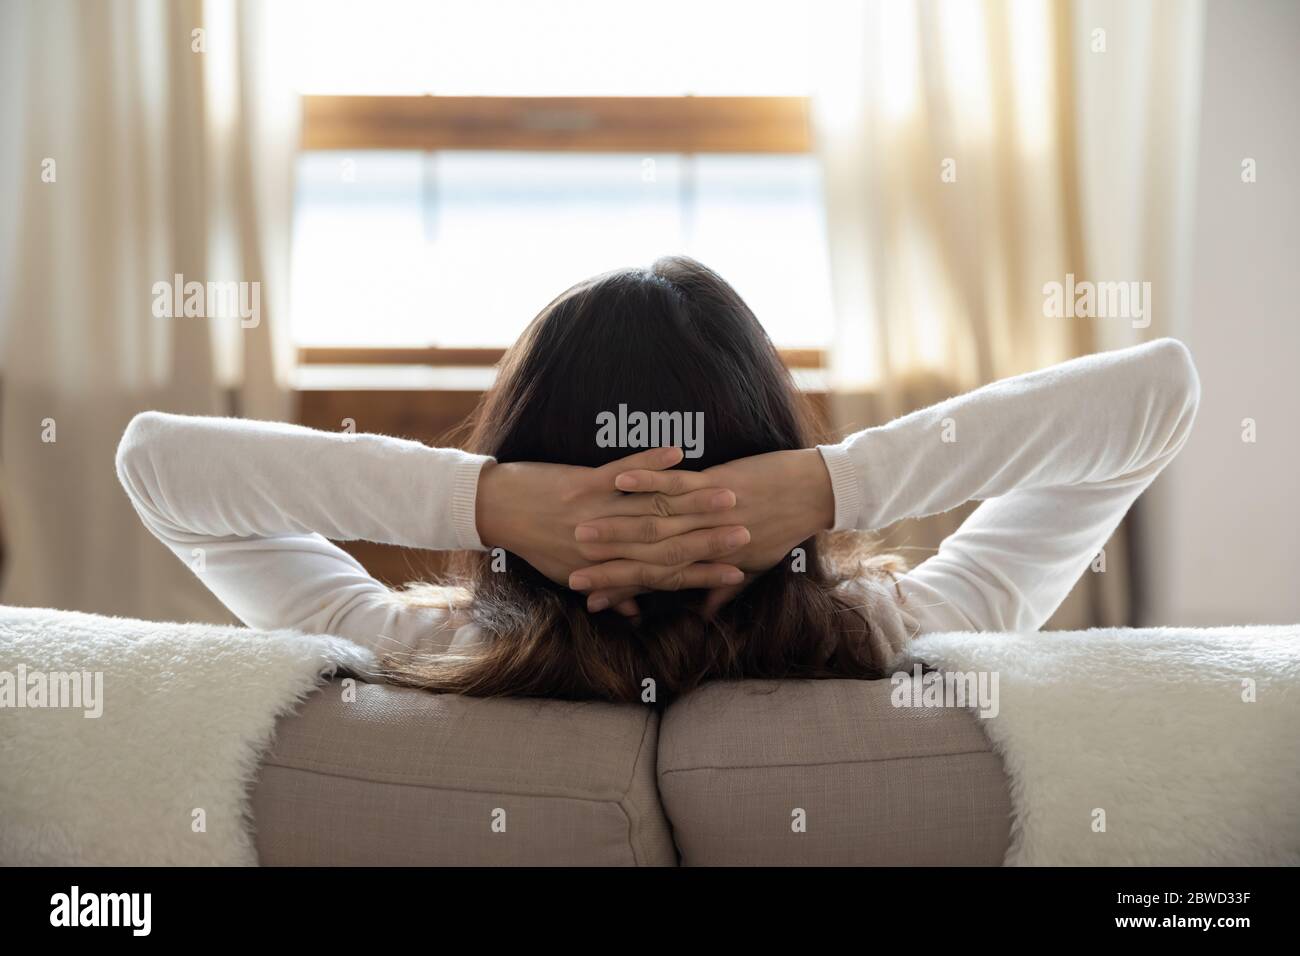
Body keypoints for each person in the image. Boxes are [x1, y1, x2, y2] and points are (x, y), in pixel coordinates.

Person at [116, 256, 1200, 703]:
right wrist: (828, 486)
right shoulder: (901, 629)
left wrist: (485, 504)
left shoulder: (424, 648)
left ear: (527, 450)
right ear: (766, 442)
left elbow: (159, 466)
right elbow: (1155, 394)